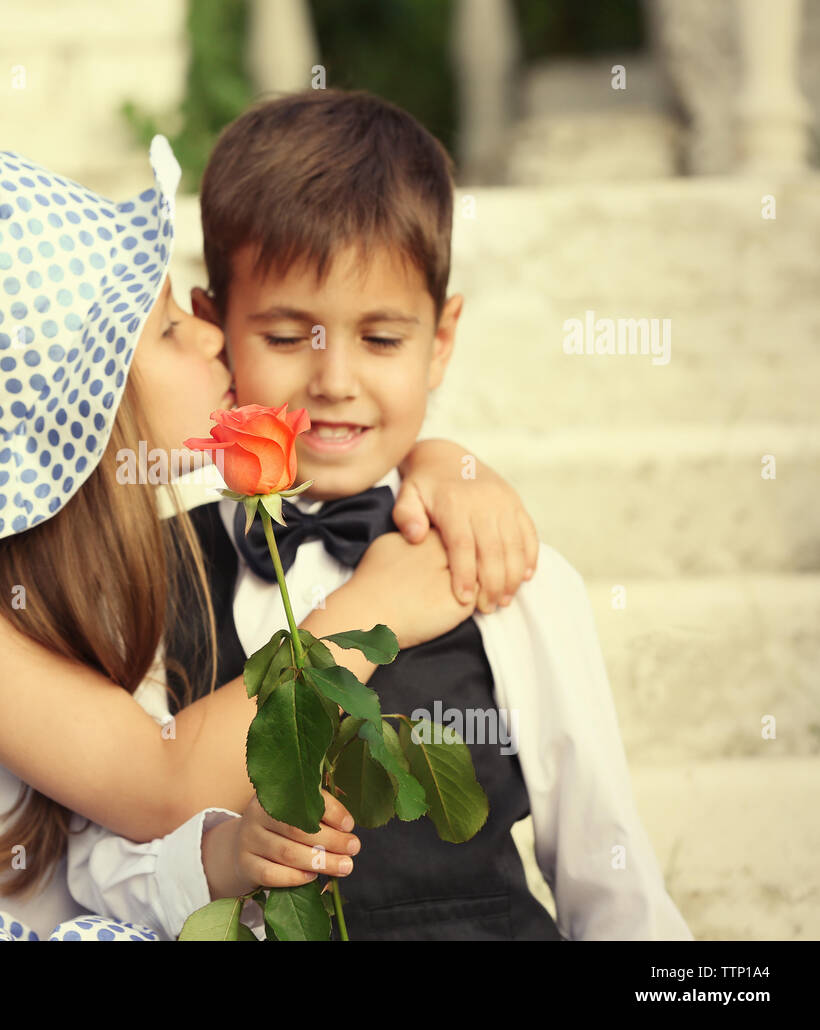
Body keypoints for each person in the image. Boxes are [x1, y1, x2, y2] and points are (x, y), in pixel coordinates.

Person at [0, 135, 540, 941]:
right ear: (85, 408)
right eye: (169, 327)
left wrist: (436, 462)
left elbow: (341, 438)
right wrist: (366, 612)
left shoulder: (106, 566)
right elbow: (160, 781)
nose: (210, 336)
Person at [68, 91, 694, 941]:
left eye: (383, 339)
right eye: (288, 338)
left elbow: (604, 860)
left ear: (440, 342)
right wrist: (217, 855)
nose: (334, 382)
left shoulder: (502, 568)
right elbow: (99, 861)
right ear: (215, 330)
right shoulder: (153, 573)